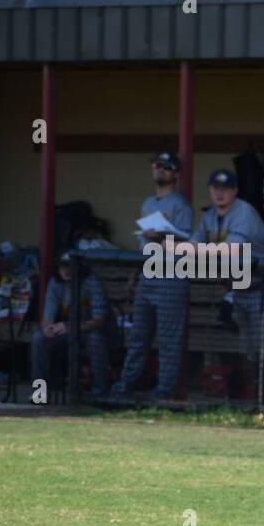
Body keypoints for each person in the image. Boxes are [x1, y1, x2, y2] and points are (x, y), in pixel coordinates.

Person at [191, 168, 264, 407]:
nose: (219, 193)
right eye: (215, 188)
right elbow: (194, 244)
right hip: (241, 288)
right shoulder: (209, 216)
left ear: (234, 191)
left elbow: (230, 249)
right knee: (252, 351)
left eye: (225, 189)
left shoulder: (244, 212)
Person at [111, 151, 195, 400]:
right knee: (139, 336)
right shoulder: (148, 203)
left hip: (171, 276)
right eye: (158, 165)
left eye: (168, 167)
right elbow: (143, 243)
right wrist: (133, 275)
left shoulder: (182, 204)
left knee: (169, 340)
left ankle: (164, 390)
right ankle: (126, 384)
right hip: (148, 275)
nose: (161, 170)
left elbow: (189, 243)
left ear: (176, 174)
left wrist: (162, 236)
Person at [31, 252, 109, 399]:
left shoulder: (92, 282)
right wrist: (47, 328)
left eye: (69, 266)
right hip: (64, 333)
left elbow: (100, 320)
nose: (65, 270)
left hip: (88, 332)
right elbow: (48, 317)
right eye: (62, 267)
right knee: (39, 338)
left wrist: (69, 327)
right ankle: (39, 393)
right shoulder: (55, 283)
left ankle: (100, 392)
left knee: (96, 338)